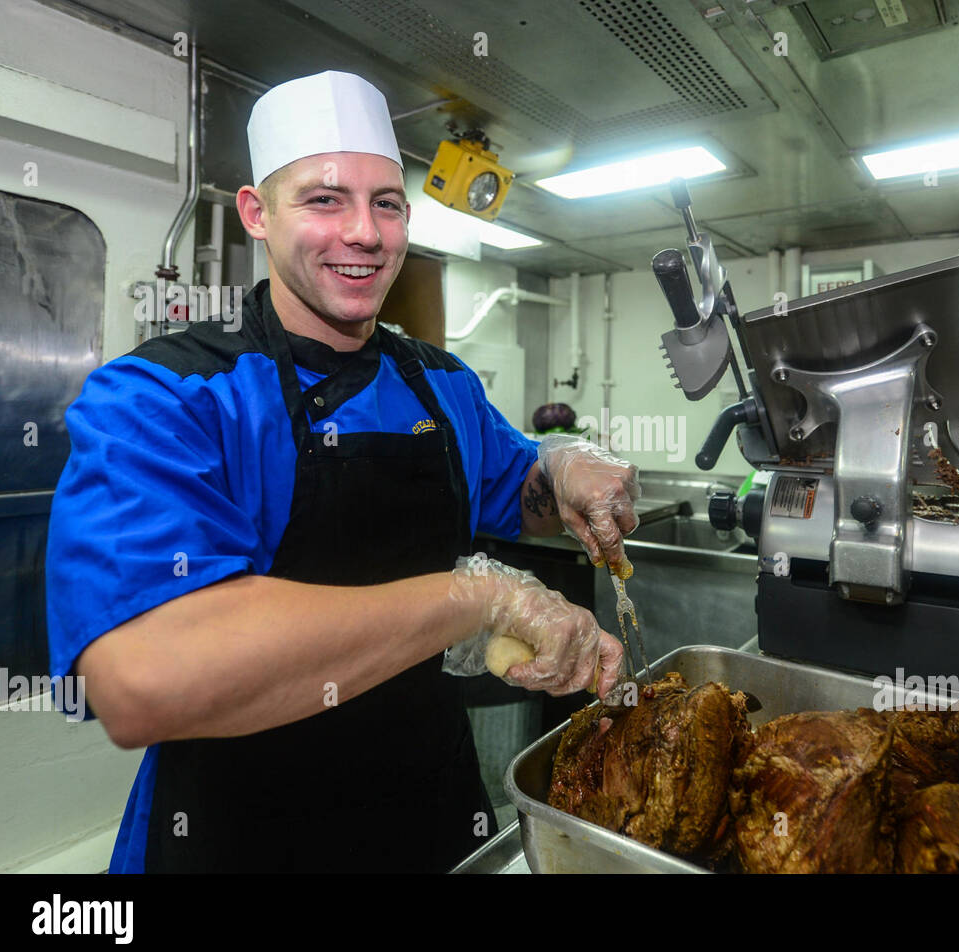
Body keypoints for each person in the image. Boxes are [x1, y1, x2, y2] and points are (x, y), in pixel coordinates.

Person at [45, 70, 639, 873]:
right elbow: (143, 678)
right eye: (325, 199)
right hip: (236, 832)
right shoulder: (164, 397)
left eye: (386, 202)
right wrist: (474, 597)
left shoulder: (442, 384)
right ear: (257, 212)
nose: (364, 232)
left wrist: (566, 466)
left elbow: (520, 491)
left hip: (429, 814)